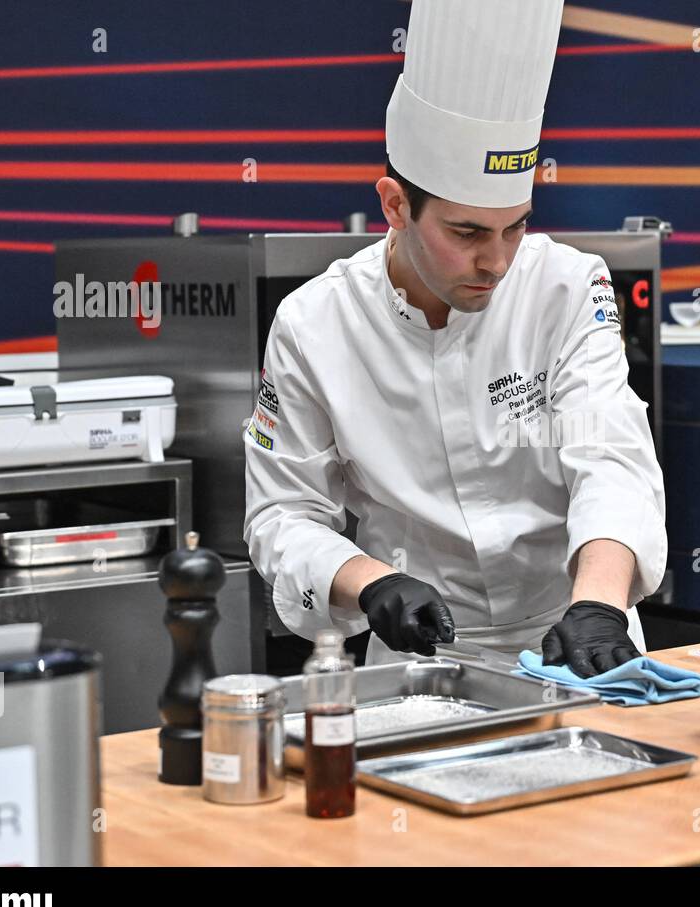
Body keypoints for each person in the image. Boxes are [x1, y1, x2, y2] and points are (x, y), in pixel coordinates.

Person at [243, 0, 665, 677]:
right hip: (420, 660)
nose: (496, 262)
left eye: (515, 227)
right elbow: (281, 513)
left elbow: (610, 454)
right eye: (466, 233)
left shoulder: (566, 286)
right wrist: (369, 582)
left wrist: (601, 605)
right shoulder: (313, 325)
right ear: (395, 205)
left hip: (581, 646)